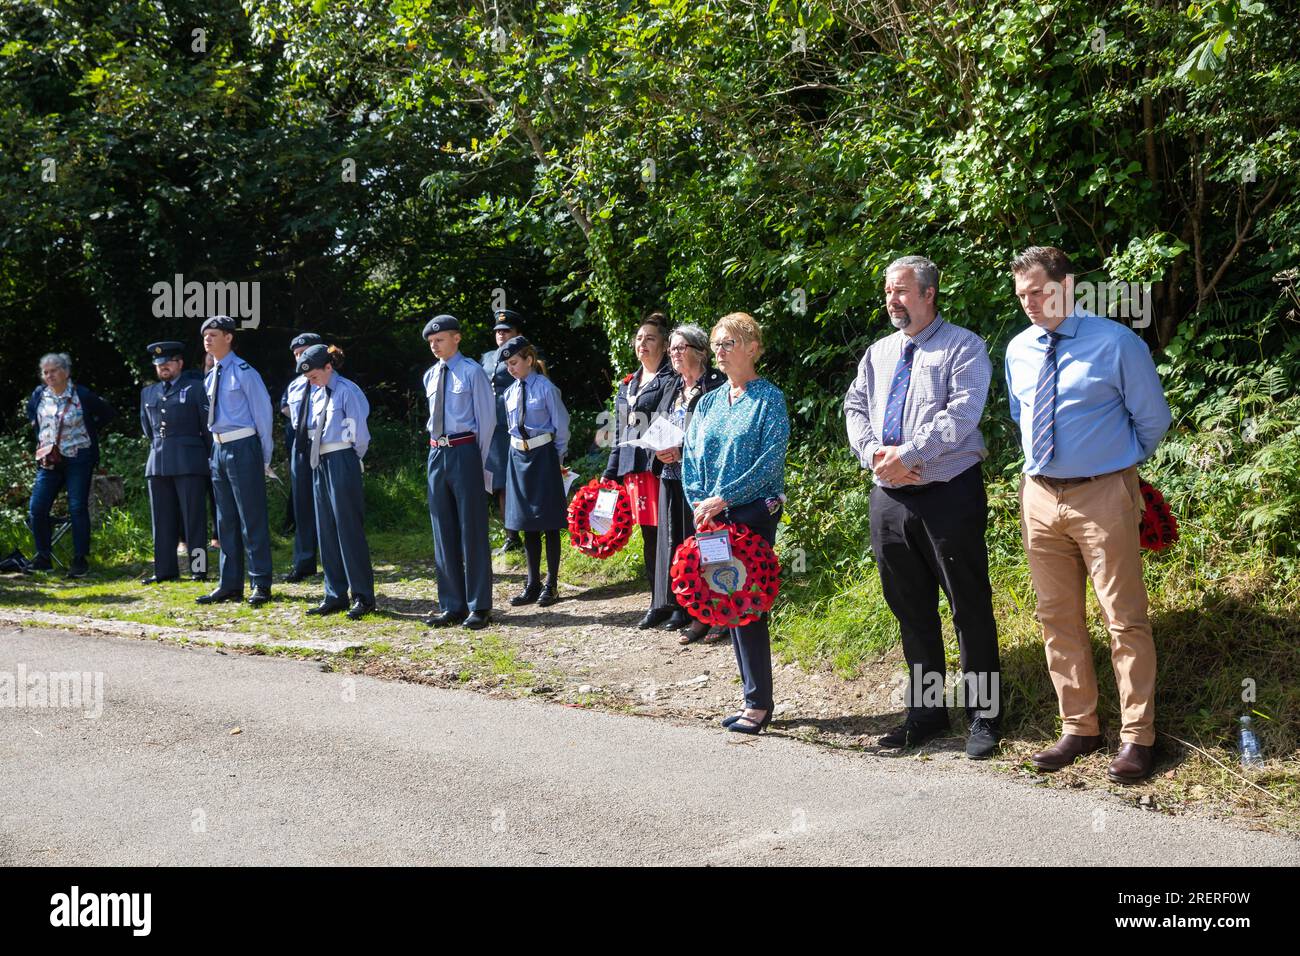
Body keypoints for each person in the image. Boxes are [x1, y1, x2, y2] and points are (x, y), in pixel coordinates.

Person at [1006, 246, 1172, 783]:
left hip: (1102, 494)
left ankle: (1137, 737)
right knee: (1056, 617)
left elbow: (1152, 421)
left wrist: (1113, 469)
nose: (1029, 303)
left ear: (1066, 286)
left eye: (1038, 291)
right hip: (1038, 496)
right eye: (1021, 295)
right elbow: (1022, 415)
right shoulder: (1018, 349)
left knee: (1123, 617)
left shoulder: (1116, 343)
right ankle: (1079, 726)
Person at [844, 255, 1002, 759]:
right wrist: (875, 457)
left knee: (968, 605)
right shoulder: (878, 352)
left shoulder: (965, 346)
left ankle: (985, 716)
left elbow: (961, 416)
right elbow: (854, 407)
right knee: (910, 610)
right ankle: (927, 713)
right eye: (888, 291)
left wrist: (907, 456)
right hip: (889, 499)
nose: (892, 300)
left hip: (948, 492)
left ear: (929, 293)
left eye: (902, 291)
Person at [682, 313, 790, 734]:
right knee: (727, 602)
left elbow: (770, 463)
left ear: (752, 347)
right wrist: (699, 501)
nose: (720, 351)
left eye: (729, 343)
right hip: (710, 516)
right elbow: (691, 458)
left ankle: (759, 704)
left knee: (748, 604)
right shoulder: (707, 402)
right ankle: (751, 698)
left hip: (749, 513)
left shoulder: (769, 399)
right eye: (717, 344)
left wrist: (725, 497)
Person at [602, 311, 677, 628]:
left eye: (650, 338)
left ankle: (678, 602)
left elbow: (666, 422)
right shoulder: (628, 383)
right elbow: (619, 432)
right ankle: (657, 601)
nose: (642, 344)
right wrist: (610, 472)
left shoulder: (669, 379)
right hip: (633, 468)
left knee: (669, 535)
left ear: (663, 345)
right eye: (639, 338)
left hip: (659, 467)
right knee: (650, 537)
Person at [652, 324, 726, 642]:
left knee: (711, 546)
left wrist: (682, 450)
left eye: (681, 347)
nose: (674, 353)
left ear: (699, 351)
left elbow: (718, 435)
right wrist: (661, 450)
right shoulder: (672, 388)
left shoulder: (716, 387)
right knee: (685, 548)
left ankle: (723, 614)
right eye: (672, 348)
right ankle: (696, 614)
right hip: (673, 476)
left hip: (705, 481)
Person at [423, 314, 497, 630]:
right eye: (431, 342)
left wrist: (477, 462)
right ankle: (451, 603)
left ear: (457, 338)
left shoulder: (472, 373)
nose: (435, 346)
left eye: (440, 340)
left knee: (472, 530)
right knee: (443, 531)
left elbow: (487, 421)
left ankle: (478, 605)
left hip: (464, 449)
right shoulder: (430, 375)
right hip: (436, 451)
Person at [198, 314, 276, 607]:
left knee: (251, 517)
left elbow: (263, 417)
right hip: (219, 449)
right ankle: (229, 583)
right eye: (205, 335)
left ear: (229, 337)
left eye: (214, 334)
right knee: (225, 520)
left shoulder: (244, 372)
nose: (207, 339)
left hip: (244, 446)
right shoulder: (212, 374)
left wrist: (264, 457)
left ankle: (260, 582)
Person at [295, 344, 376, 620]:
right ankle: (335, 593)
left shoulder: (347, 391)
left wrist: (352, 462)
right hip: (321, 461)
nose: (310, 380)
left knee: (348, 529)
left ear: (328, 367)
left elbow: (359, 434)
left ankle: (362, 596)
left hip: (343, 457)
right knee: (326, 529)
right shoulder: (316, 393)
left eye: (314, 374)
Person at [24, 353, 116, 577]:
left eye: (54, 370)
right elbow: (32, 416)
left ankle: (79, 560)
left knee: (77, 507)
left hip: (79, 458)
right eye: (45, 372)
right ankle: (43, 557)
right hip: (49, 459)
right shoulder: (39, 395)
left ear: (66, 372)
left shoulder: (82, 394)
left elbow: (107, 414)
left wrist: (89, 431)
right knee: (37, 508)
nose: (49, 375)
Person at [499, 335, 571, 608]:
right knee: (527, 523)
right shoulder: (509, 392)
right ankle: (532, 583)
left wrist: (558, 457)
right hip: (517, 456)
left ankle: (551, 584)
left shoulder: (545, 388)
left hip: (543, 455)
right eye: (508, 364)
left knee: (549, 522)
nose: (511, 368)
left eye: (515, 362)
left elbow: (561, 425)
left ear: (529, 360)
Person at [139, 341, 210, 584]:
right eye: (159, 365)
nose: (163, 368)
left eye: (168, 363)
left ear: (179, 363)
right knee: (161, 522)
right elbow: (148, 429)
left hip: (190, 462)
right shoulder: (148, 393)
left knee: (194, 521)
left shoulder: (196, 388)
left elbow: (206, 428)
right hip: (158, 463)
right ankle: (164, 571)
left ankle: (199, 569)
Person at [280, 332, 324, 582]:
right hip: (300, 445)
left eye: (304, 353)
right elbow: (286, 409)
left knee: (329, 505)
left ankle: (335, 560)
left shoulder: (331, 381)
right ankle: (304, 561)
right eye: (296, 355)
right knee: (302, 504)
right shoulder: (295, 385)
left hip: (325, 444)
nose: (300, 359)